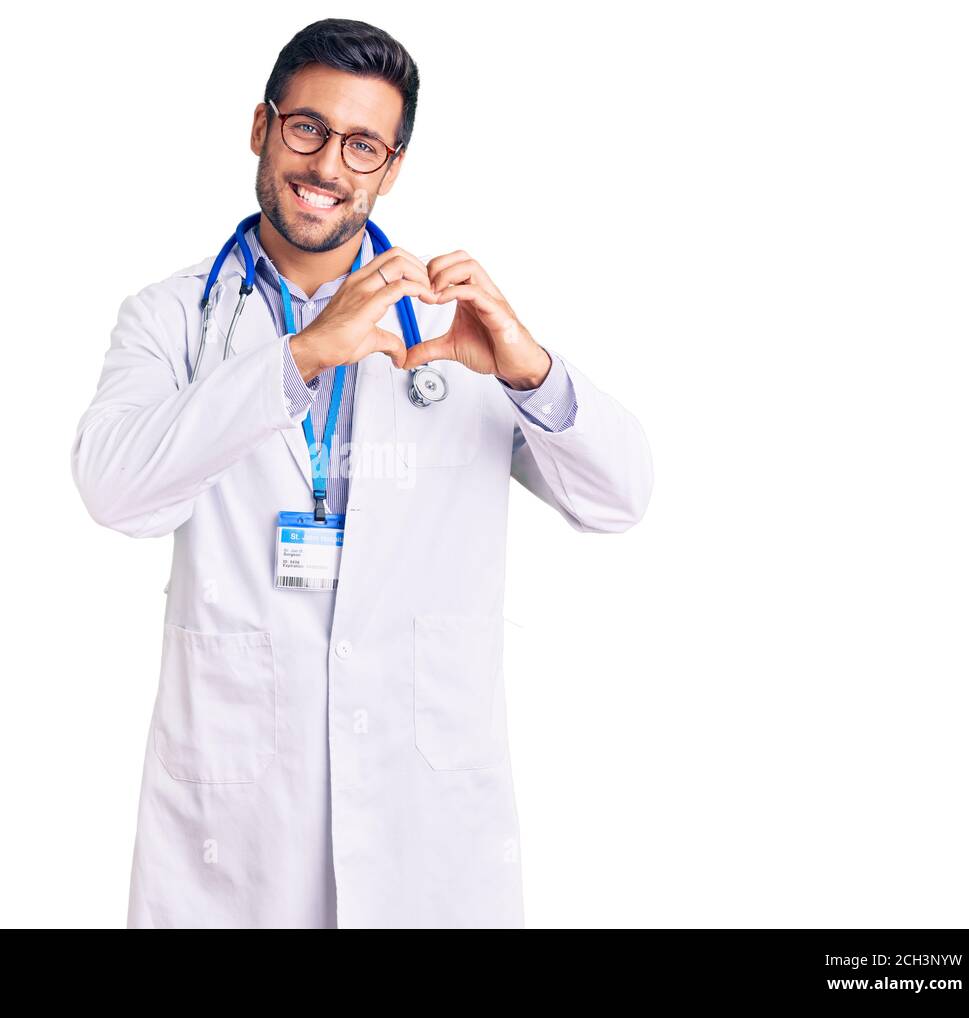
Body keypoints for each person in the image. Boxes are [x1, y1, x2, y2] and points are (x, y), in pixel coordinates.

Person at [70, 18, 654, 928]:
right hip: (237, 839)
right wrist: (300, 358)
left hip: (428, 835)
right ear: (261, 127)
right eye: (307, 129)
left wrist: (530, 369)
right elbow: (115, 490)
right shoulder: (172, 318)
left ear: (391, 167)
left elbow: (621, 498)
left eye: (362, 145)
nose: (327, 165)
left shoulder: (453, 328)